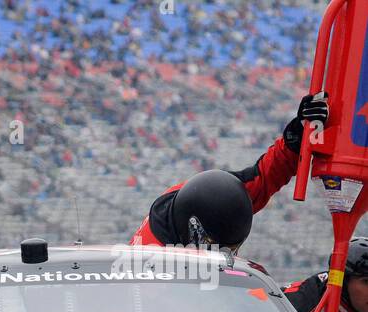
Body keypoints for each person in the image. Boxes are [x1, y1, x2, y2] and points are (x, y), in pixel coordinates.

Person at [130, 94, 329, 252]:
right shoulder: (149, 263)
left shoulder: (212, 197)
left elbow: (264, 177)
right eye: (220, 248)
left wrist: (297, 135)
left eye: (232, 249)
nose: (228, 256)